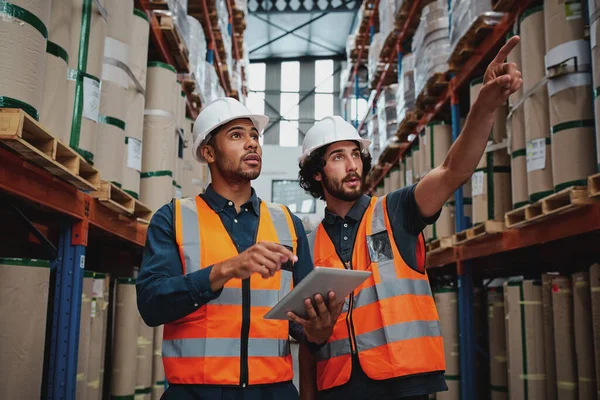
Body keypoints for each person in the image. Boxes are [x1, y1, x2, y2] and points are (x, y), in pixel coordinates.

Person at [292, 37, 523, 400]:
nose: (352, 165)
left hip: (405, 384)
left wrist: (485, 106)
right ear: (316, 173)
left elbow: (452, 171)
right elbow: (307, 341)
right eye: (338, 157)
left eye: (355, 154)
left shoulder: (396, 210)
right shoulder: (306, 242)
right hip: (338, 389)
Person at [136, 98, 343, 400]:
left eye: (255, 136)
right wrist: (224, 270)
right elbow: (151, 304)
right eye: (237, 135)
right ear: (208, 152)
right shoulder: (174, 218)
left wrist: (317, 332)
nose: (252, 144)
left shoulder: (288, 223)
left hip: (273, 392)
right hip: (196, 393)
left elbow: (300, 323)